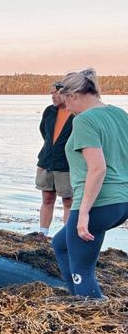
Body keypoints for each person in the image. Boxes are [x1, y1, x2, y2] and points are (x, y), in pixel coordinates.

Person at [51, 68, 128, 299]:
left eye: (66, 102)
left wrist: (83, 213)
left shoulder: (84, 120)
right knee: (61, 245)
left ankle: (92, 309)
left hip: (98, 203)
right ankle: (77, 300)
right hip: (121, 203)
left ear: (74, 95)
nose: (67, 108)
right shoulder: (119, 114)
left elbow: (98, 168)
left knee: (82, 271)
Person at [35, 81, 74, 236]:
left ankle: (67, 235)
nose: (53, 96)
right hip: (46, 161)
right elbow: (44, 133)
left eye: (56, 93)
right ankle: (43, 233)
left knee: (68, 201)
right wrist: (50, 150)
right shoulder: (49, 111)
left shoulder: (77, 114)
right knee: (47, 198)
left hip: (66, 165)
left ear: (66, 94)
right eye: (51, 93)